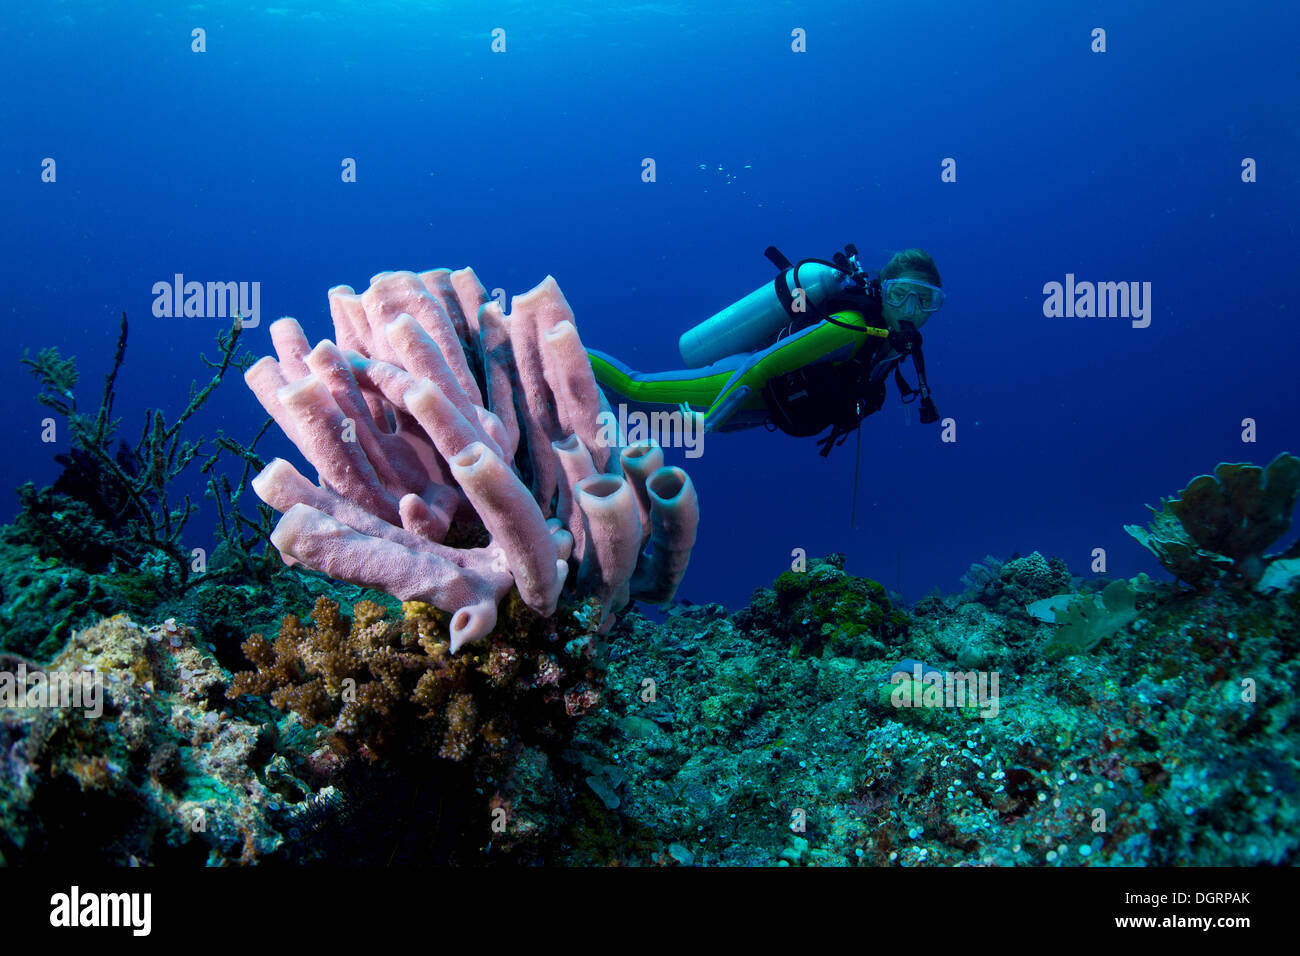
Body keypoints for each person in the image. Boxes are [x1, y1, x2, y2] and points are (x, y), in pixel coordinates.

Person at [587, 244, 945, 456]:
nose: (911, 309)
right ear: (884, 291)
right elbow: (761, 365)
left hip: (750, 411)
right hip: (733, 384)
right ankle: (544, 339)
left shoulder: (891, 344)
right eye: (901, 294)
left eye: (925, 300)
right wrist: (713, 417)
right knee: (634, 390)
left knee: (636, 418)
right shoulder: (852, 327)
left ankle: (561, 417)